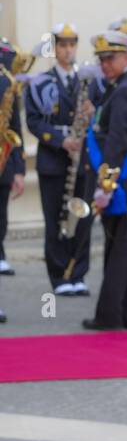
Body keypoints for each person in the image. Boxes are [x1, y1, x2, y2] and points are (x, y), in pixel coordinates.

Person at [80, 31, 127, 332]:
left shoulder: (126, 91)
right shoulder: (121, 87)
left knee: (119, 252)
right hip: (126, 182)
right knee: (126, 250)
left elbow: (118, 140)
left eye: (110, 58)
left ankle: (109, 316)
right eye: (102, 59)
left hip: (122, 182)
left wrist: (104, 183)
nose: (104, 64)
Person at [26, 23, 94, 296]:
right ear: (54, 49)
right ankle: (59, 276)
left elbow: (101, 116)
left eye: (71, 44)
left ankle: (77, 272)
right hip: (54, 158)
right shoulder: (40, 82)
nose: (68, 50)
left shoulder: (89, 81)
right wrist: (60, 140)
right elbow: (33, 121)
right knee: (55, 218)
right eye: (62, 45)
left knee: (81, 216)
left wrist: (94, 112)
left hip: (82, 156)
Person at [0, 36, 28, 282]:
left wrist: (19, 168)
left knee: (1, 208)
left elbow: (16, 124)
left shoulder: (7, 55)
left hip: (3, 149)